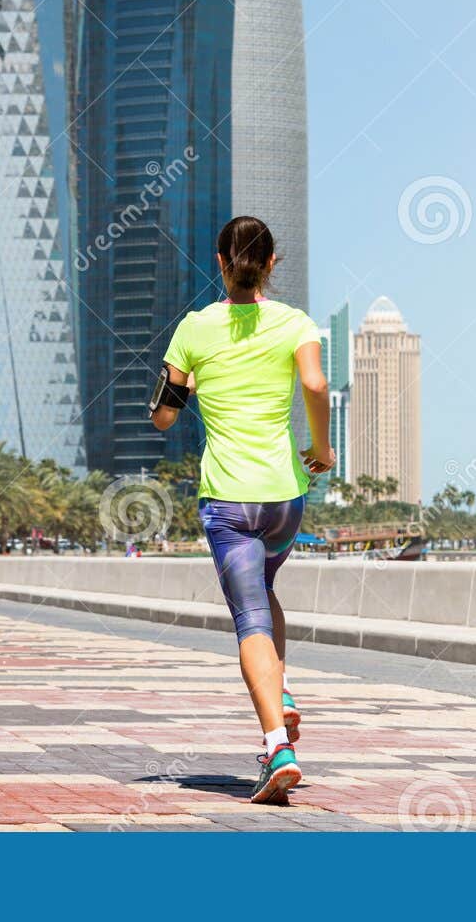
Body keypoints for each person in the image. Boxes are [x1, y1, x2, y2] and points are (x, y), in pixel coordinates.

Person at [150, 215, 334, 805]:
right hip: (284, 499)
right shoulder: (294, 322)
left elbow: (163, 415)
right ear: (272, 263)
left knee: (249, 616)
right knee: (265, 590)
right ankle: (278, 693)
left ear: (220, 262)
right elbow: (315, 384)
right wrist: (323, 447)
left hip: (229, 500)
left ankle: (277, 746)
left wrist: (193, 386)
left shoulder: (195, 328)